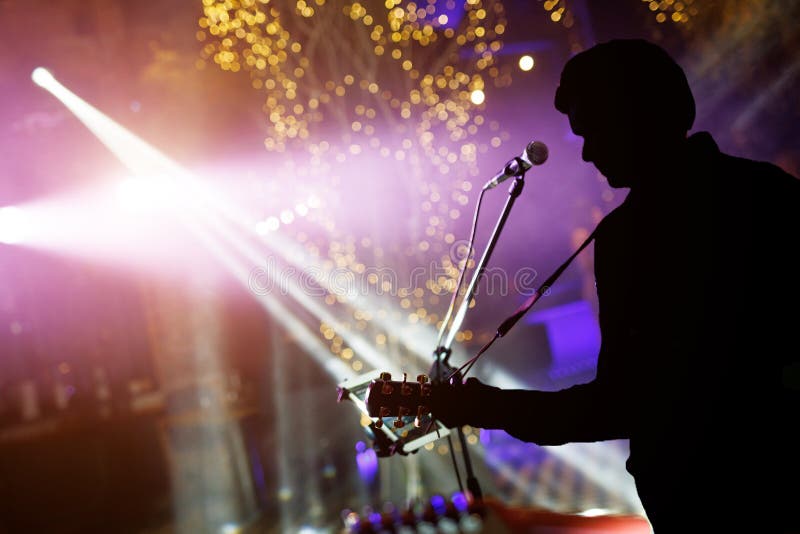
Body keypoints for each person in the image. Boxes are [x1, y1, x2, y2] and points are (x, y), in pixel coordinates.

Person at [430, 39, 800, 533]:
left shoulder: (633, 234)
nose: (586, 153)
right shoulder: (768, 190)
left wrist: (487, 407)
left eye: (594, 130)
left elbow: (619, 403)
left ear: (636, 113)